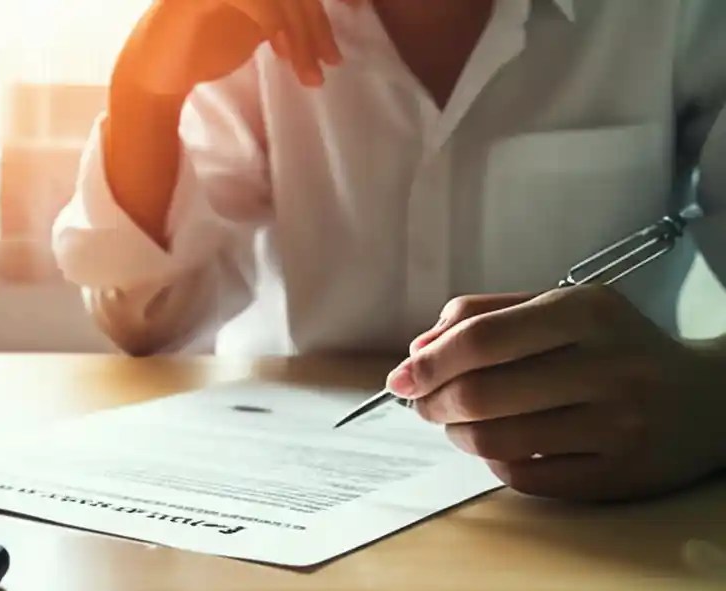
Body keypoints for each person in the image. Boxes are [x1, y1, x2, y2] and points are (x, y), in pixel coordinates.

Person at [51, 0, 726, 501]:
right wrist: (144, 93)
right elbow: (150, 320)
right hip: (283, 507)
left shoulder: (681, 15)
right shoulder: (248, 20)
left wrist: (710, 400)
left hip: (602, 515)